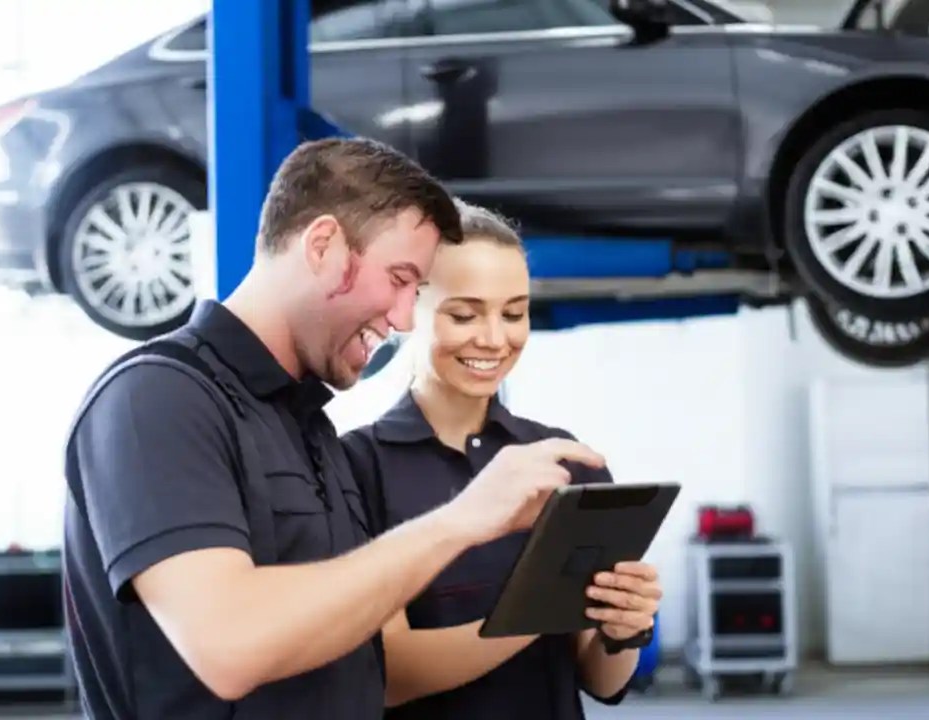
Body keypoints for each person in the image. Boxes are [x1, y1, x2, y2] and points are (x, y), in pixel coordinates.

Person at [60, 137, 608, 720]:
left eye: (415, 292)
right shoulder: (156, 399)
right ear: (322, 245)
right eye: (399, 280)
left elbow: (364, 664)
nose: (402, 318)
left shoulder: (311, 430)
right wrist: (462, 521)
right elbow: (229, 644)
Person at [341, 200, 662, 720]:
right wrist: (544, 601)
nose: (494, 338)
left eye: (514, 313)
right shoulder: (355, 468)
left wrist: (622, 630)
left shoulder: (564, 461)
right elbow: (388, 674)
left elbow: (600, 681)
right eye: (464, 314)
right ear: (406, 311)